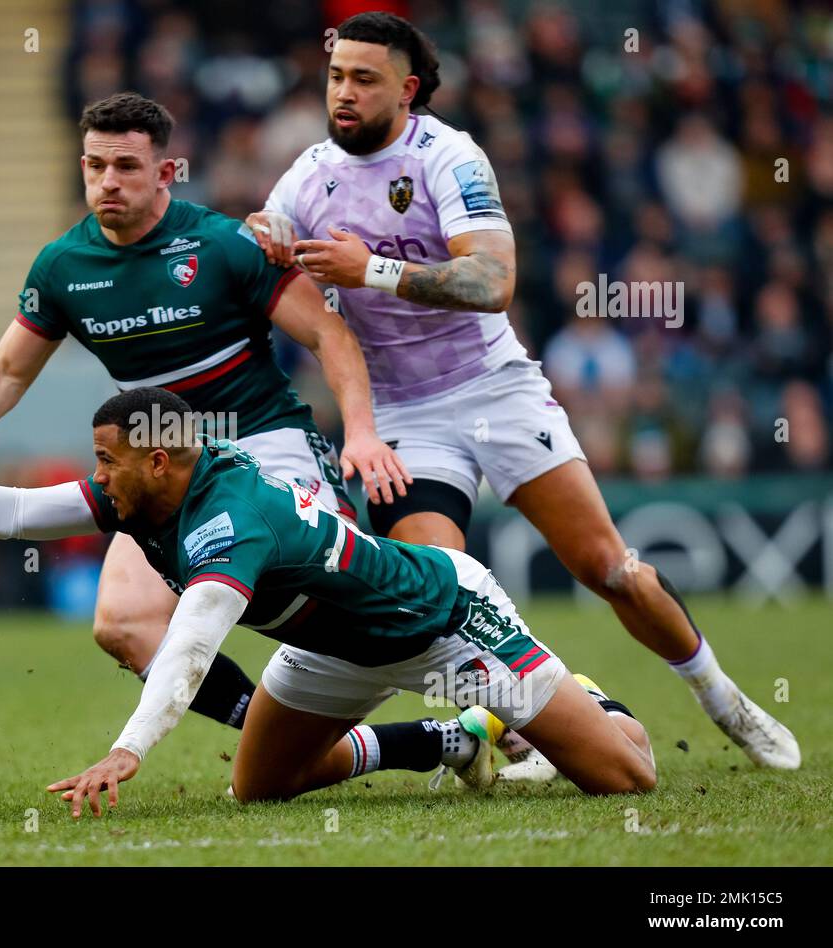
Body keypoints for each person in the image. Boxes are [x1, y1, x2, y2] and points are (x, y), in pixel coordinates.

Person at [246, 12, 798, 775]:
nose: (344, 92)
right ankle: (570, 713)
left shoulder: (449, 157)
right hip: (405, 415)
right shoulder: (309, 174)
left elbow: (492, 282)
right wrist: (262, 235)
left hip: (495, 390)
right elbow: (262, 231)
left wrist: (370, 269)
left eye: (364, 80)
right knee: (438, 603)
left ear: (406, 91)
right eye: (337, 76)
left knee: (609, 568)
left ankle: (723, 700)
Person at [0, 387, 657, 819]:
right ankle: (456, 736)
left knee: (626, 777)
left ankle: (586, 699)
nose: (97, 474)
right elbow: (16, 513)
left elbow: (192, 644)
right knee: (261, 789)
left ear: (160, 462)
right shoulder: (149, 491)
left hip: (441, 624)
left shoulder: (230, 520)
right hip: (333, 650)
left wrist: (128, 750)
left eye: (107, 460)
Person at [0, 91, 407, 733]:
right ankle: (292, 738)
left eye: (126, 166)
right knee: (123, 623)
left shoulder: (224, 245)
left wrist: (362, 432)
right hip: (163, 466)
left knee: (346, 610)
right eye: (96, 166)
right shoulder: (64, 266)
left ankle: (510, 705)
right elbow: (7, 372)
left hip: (264, 444)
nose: (108, 182)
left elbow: (329, 334)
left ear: (164, 172)